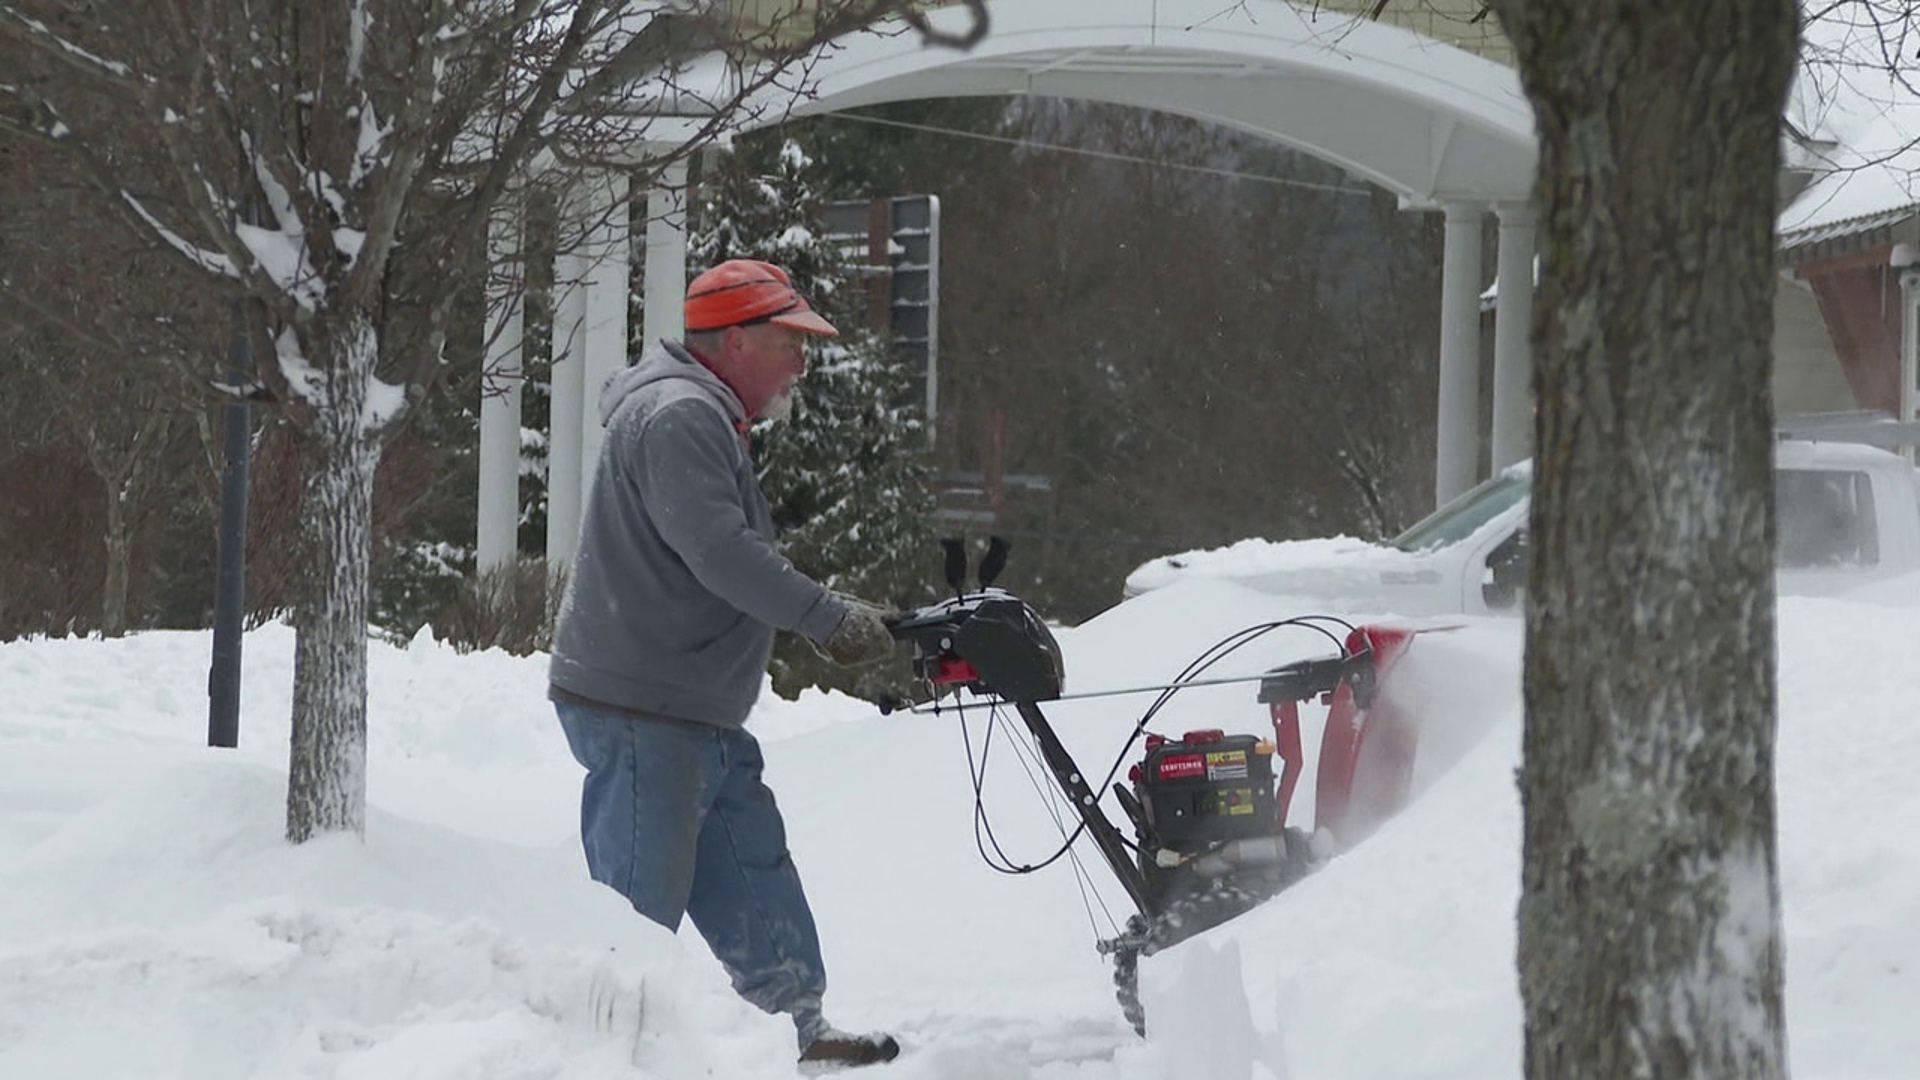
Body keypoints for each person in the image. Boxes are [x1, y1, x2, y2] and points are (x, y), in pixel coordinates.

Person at [549, 259, 900, 1067]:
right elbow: (719, 552)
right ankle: (605, 1055)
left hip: (689, 706)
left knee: (751, 865)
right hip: (644, 707)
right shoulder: (680, 416)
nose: (802, 363)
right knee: (636, 906)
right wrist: (826, 618)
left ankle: (801, 1028)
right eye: (789, 342)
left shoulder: (699, 412)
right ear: (737, 341)